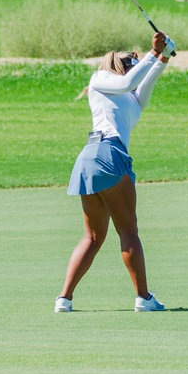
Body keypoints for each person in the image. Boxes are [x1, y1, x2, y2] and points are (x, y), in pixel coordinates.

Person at [56, 30, 172, 313]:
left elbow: (147, 79)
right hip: (109, 155)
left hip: (89, 160)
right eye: (132, 61)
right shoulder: (102, 80)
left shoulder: (133, 99)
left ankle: (64, 299)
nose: (137, 65)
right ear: (120, 66)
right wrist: (150, 51)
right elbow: (129, 80)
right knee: (128, 230)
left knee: (93, 237)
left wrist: (164, 55)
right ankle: (143, 298)